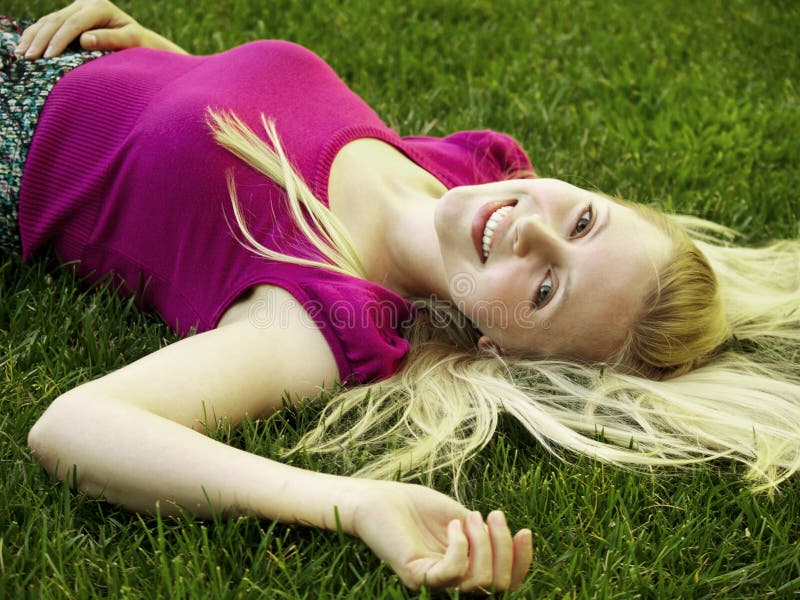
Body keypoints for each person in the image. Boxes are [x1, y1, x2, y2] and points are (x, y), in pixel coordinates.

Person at [4, 0, 799, 592]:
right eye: (585, 219)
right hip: (46, 48)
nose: (535, 234)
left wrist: (351, 504)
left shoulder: (326, 311)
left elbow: (75, 427)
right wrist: (162, 61)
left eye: (549, 287)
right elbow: (230, 143)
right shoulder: (463, 172)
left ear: (498, 343)